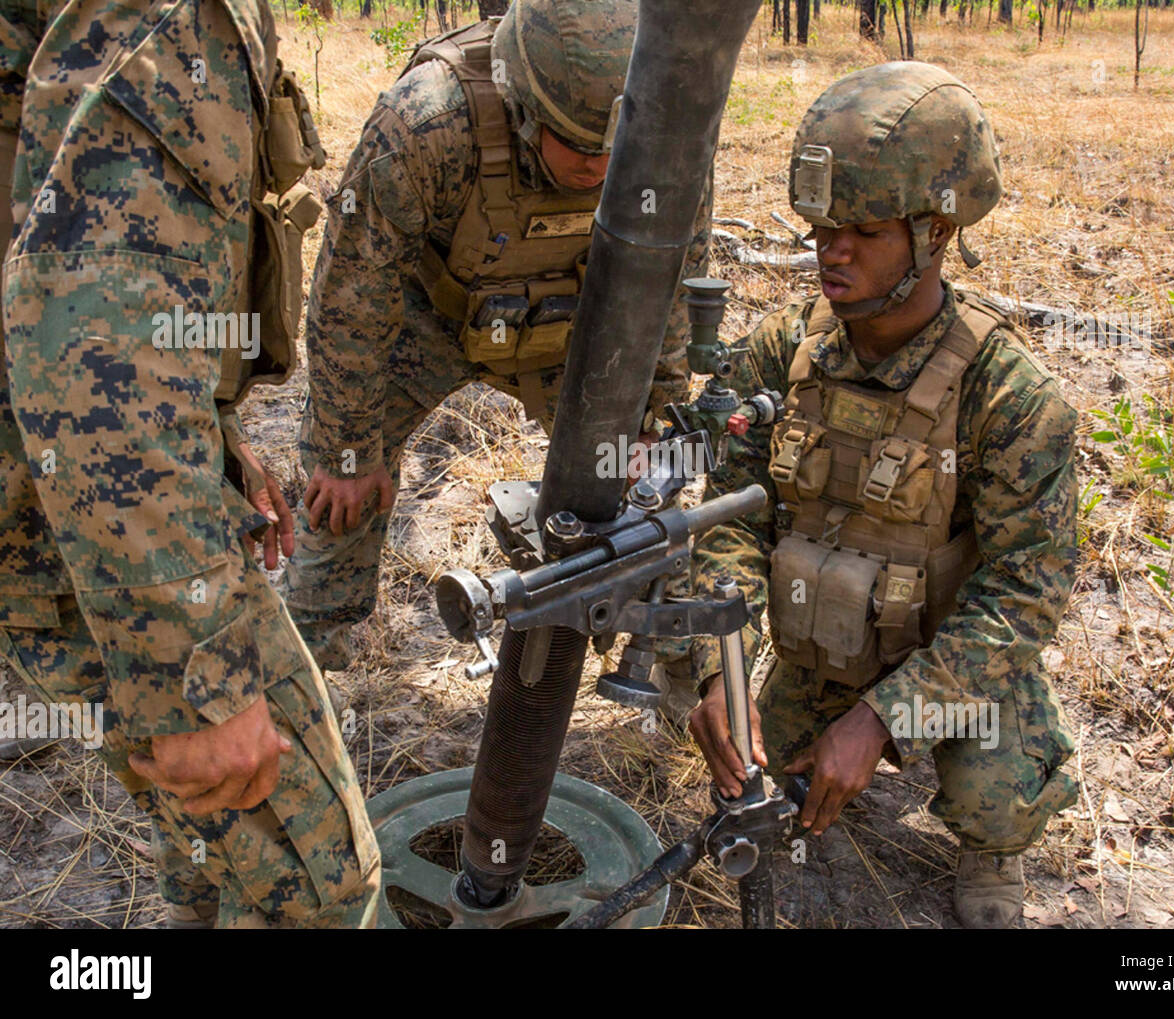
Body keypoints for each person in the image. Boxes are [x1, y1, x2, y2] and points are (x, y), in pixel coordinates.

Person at [0, 0, 379, 927]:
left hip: (58, 477)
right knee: (320, 892)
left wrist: (213, 433)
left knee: (212, 836)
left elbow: (93, 265)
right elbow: (93, 347)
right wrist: (199, 678)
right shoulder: (170, 12)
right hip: (68, 497)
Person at [687, 62, 1079, 928]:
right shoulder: (785, 353)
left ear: (934, 231)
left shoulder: (1007, 394)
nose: (832, 250)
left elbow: (1025, 596)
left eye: (862, 229)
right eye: (823, 226)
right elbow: (727, 510)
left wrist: (887, 718)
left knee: (997, 799)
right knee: (744, 777)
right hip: (825, 637)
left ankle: (992, 844)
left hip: (947, 654)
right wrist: (729, 667)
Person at [280, 0, 711, 681]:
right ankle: (299, 677)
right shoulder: (427, 121)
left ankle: (690, 683)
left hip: (584, 324)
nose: (602, 167)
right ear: (523, 103)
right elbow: (351, 293)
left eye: (614, 147)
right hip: (434, 318)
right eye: (579, 144)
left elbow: (674, 280)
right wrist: (348, 446)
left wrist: (656, 417)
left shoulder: (667, 128)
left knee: (646, 507)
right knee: (338, 497)